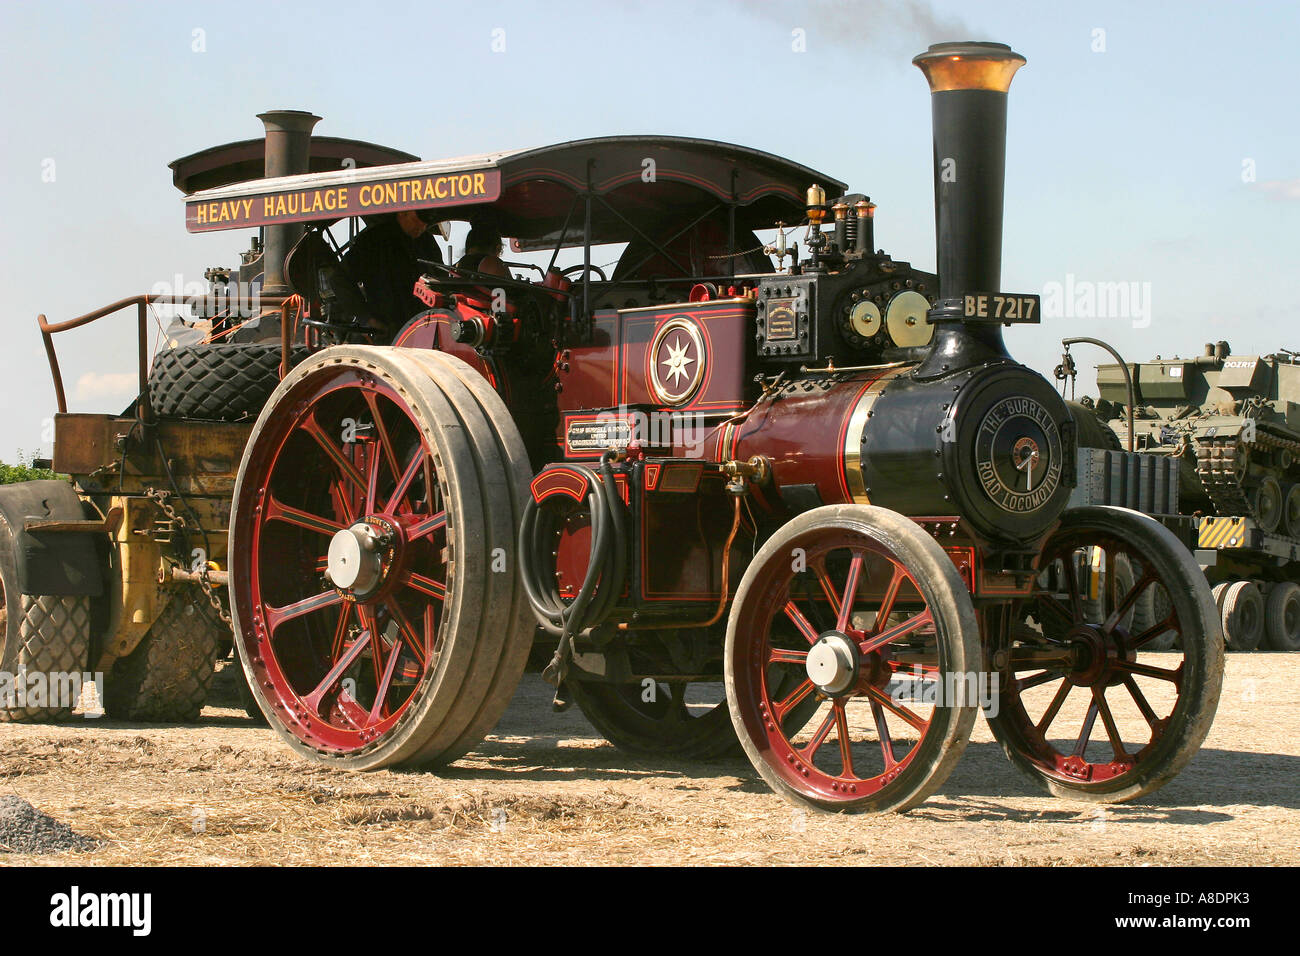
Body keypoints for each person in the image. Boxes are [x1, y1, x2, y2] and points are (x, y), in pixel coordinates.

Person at [341, 209, 444, 338]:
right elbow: (340, 279)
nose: (422, 226)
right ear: (403, 212)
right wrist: (366, 318)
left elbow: (441, 277)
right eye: (417, 219)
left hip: (426, 327)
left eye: (426, 223)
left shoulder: (427, 242)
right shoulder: (373, 240)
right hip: (388, 329)